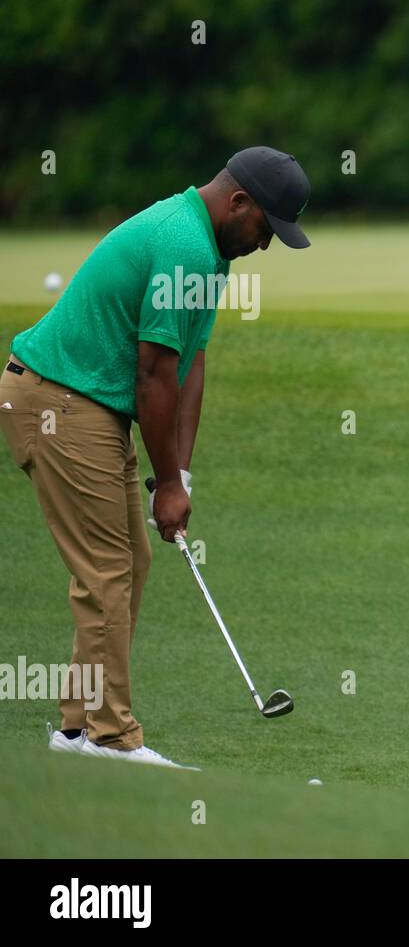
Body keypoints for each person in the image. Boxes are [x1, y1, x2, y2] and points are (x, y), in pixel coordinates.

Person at [0, 146, 311, 769]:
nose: (266, 245)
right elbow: (152, 376)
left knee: (125, 562)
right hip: (59, 400)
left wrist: (181, 475)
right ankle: (110, 737)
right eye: (265, 229)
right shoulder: (185, 244)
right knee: (107, 571)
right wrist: (165, 483)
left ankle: (74, 730)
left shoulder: (211, 254)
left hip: (85, 402)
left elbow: (190, 364)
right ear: (238, 202)